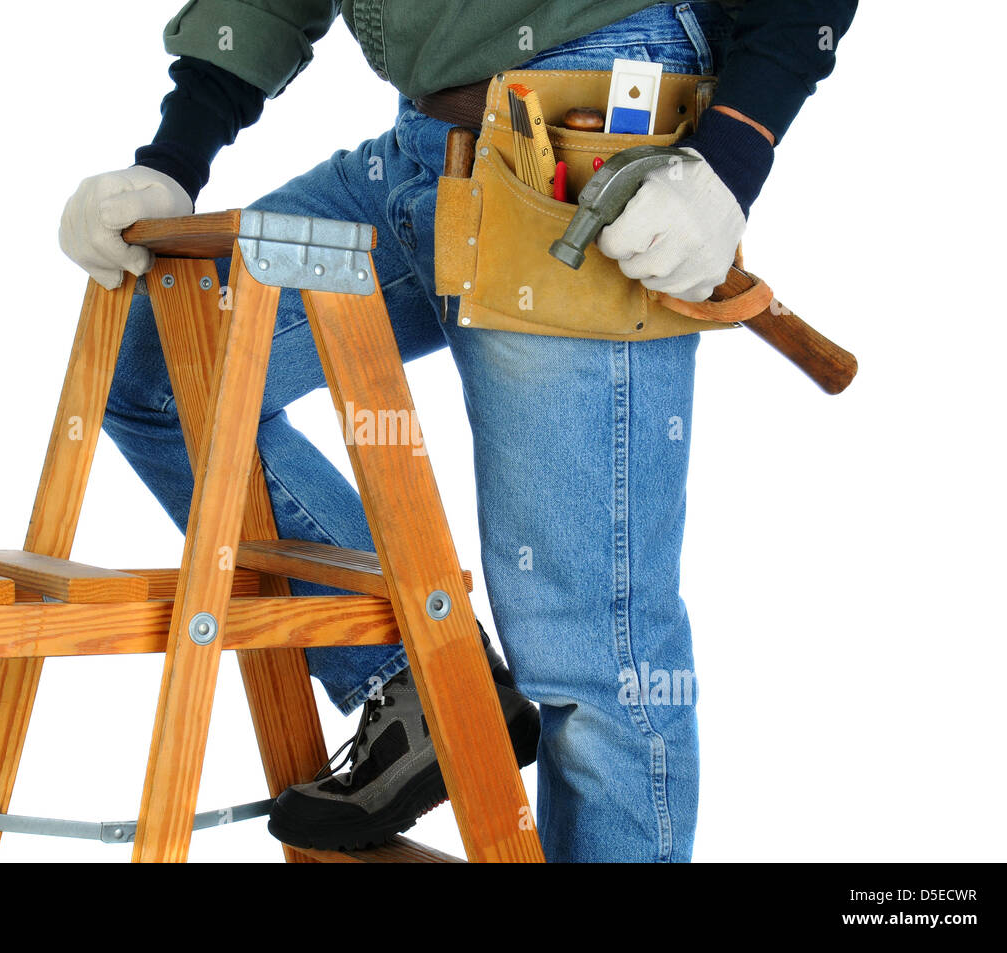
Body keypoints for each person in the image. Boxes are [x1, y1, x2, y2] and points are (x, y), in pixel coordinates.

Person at [58, 0, 856, 862]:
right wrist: (174, 157)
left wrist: (728, 156)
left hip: (584, 140)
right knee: (164, 380)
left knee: (590, 648)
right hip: (419, 146)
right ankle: (428, 682)